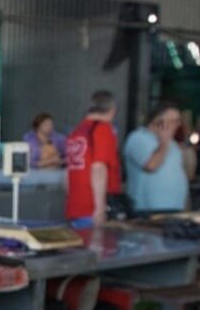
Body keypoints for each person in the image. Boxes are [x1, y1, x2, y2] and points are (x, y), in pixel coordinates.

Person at [64, 90, 121, 225]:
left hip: (75, 206)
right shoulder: (102, 129)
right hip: (92, 208)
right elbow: (99, 168)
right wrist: (100, 208)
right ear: (112, 110)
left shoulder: (76, 132)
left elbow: (67, 174)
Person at [123, 100, 188, 213]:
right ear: (158, 121)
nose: (178, 125)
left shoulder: (173, 144)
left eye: (178, 121)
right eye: (174, 121)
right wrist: (164, 142)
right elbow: (151, 165)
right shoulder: (138, 138)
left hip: (175, 208)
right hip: (148, 210)